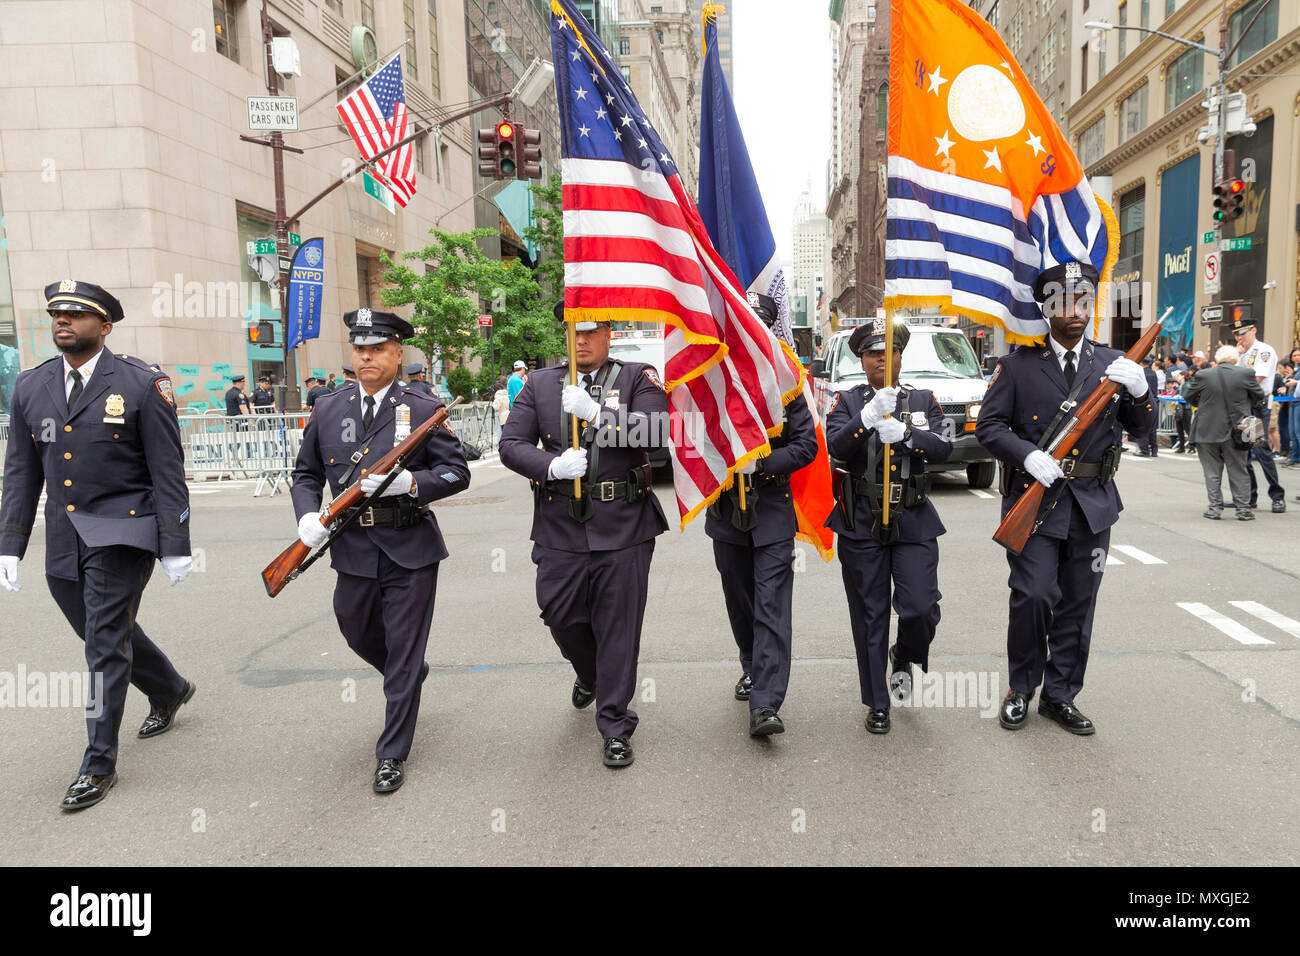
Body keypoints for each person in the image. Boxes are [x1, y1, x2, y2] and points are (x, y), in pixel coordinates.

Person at [0, 280, 196, 811]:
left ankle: (97, 763)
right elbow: (21, 472)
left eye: (77, 314)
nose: (63, 321)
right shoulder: (31, 386)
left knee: (103, 644)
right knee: (105, 629)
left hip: (124, 531)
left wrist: (175, 541)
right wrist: (9, 544)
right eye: (57, 314)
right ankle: (170, 687)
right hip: (64, 538)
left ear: (105, 326)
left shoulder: (139, 382)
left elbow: (166, 468)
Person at [290, 307, 470, 794]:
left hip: (410, 546)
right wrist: (307, 515)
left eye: (377, 349)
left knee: (405, 651)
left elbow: (457, 473)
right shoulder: (329, 407)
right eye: (360, 349)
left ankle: (391, 752)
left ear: (397, 353)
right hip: (351, 546)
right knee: (355, 629)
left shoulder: (423, 406)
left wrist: (413, 482)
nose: (366, 357)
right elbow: (305, 473)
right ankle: (407, 675)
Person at [975, 261, 1156, 736]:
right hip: (1035, 502)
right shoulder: (1016, 366)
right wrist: (1027, 455)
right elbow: (990, 426)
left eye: (1083, 301)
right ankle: (1021, 689)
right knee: (1032, 596)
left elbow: (1145, 432)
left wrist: (1139, 392)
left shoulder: (1113, 364)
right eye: (1064, 302)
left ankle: (1061, 696)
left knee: (1079, 602)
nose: (1075, 311)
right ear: (1045, 308)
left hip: (1092, 503)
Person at [498, 302, 669, 769]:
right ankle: (590, 674)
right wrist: (550, 465)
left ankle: (614, 724)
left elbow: (657, 434)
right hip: (559, 523)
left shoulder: (638, 376)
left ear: (608, 333)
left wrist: (598, 415)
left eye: (591, 332)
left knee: (618, 627)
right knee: (560, 614)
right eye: (574, 332)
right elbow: (510, 445)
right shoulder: (540, 383)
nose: (581, 341)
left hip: (625, 523)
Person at [826, 317, 952, 734]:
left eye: (891, 352)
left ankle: (906, 654)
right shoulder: (846, 401)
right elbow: (835, 446)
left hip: (913, 518)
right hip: (862, 520)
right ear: (861, 360)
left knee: (919, 608)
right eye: (873, 354)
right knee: (869, 614)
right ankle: (877, 702)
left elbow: (944, 446)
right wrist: (866, 417)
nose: (883, 359)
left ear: (901, 356)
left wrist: (908, 435)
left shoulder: (922, 399)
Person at [706, 293, 818, 737]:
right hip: (727, 510)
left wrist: (763, 462)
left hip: (771, 509)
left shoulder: (786, 383)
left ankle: (766, 703)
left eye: (759, 324)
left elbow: (806, 446)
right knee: (741, 602)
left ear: (769, 330)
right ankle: (752, 664)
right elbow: (692, 436)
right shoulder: (714, 379)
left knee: (772, 605)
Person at [1185, 346, 1265, 520]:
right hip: (1237, 429)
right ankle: (1243, 509)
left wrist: (1206, 404)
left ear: (1218, 358)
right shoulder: (1246, 373)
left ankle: (1214, 508)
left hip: (1206, 428)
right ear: (1235, 359)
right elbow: (1259, 396)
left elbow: (1188, 396)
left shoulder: (1203, 375)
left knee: (1211, 470)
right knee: (1238, 468)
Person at [1233, 317, 1285, 512]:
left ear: (1253, 330)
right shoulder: (1240, 354)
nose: (1239, 338)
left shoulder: (1264, 351)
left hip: (1258, 405)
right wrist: (1238, 358)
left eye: (1242, 333)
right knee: (1243, 451)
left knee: (1261, 451)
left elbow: (1257, 378)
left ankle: (1277, 495)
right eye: (1237, 335)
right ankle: (1249, 496)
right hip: (1244, 406)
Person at [1134, 355, 1160, 456]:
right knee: (1152, 428)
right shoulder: (1153, 373)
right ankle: (1154, 450)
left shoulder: (1141, 373)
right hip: (1154, 400)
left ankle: (1144, 450)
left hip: (1144, 401)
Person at [491, 375, 510, 444]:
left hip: (502, 416)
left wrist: (492, 402)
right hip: (507, 414)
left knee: (503, 435)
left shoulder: (498, 395)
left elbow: (495, 407)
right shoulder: (505, 393)